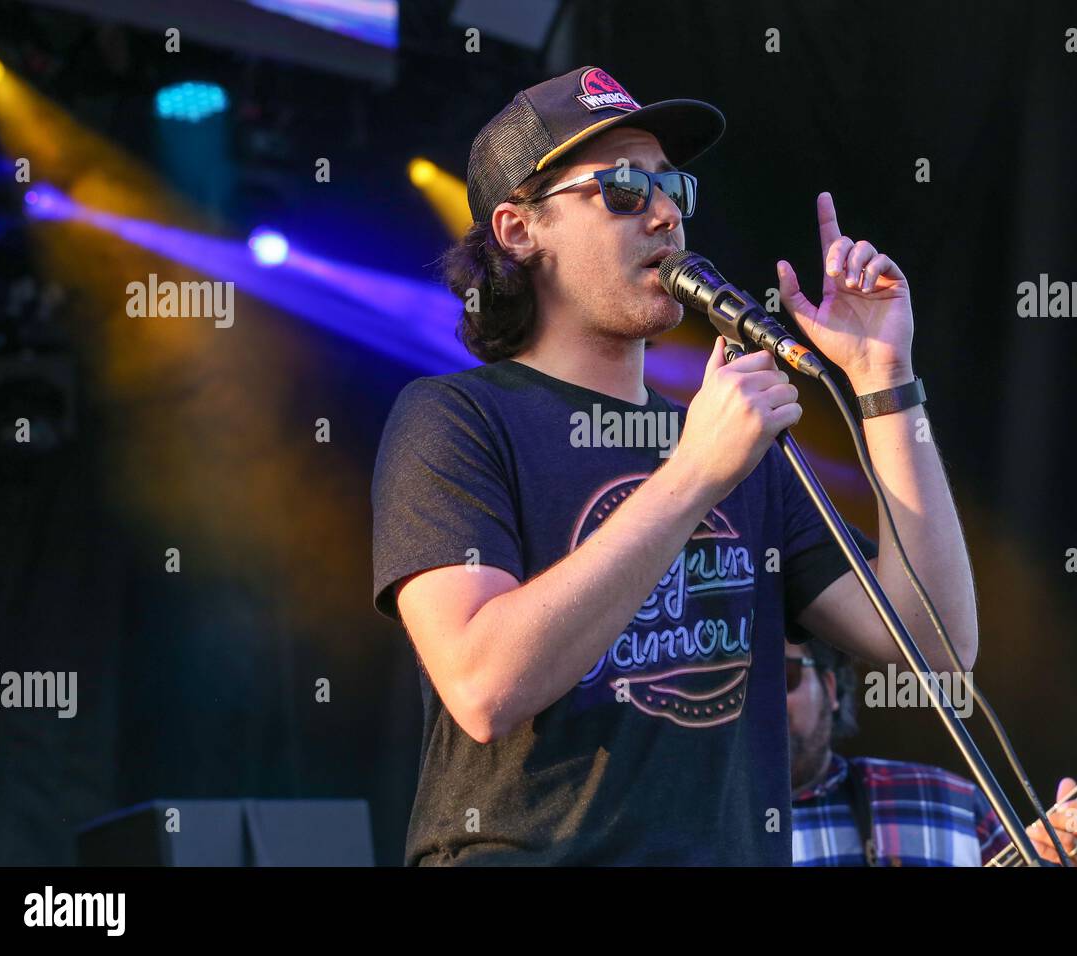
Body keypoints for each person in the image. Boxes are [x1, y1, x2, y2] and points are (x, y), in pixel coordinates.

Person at [371, 65, 978, 865]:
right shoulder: (457, 418)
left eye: (673, 189)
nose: (664, 213)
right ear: (520, 229)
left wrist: (884, 382)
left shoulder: (735, 443)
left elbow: (934, 646)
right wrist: (692, 475)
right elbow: (484, 685)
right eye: (623, 189)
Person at [787, 632, 1077, 866]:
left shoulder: (950, 801)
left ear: (829, 689)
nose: (760, 697)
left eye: (784, 674)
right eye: (736, 677)